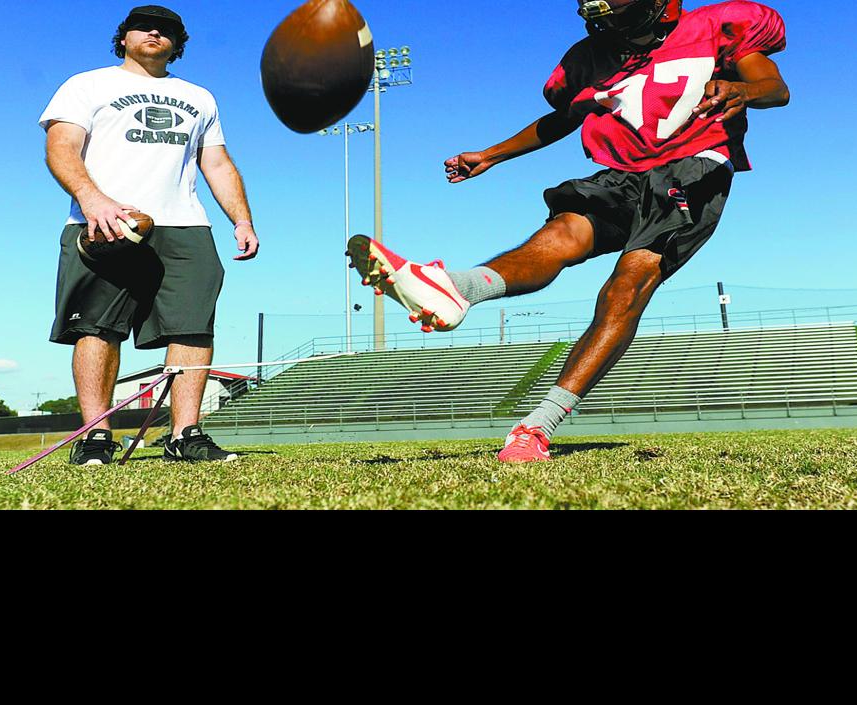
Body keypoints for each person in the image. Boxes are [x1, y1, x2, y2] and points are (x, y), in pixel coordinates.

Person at [347, 0, 789, 462]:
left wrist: (743, 90)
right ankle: (458, 288)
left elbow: (775, 88)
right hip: (621, 173)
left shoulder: (715, 25)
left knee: (626, 285)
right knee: (559, 234)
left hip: (693, 167)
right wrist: (491, 155)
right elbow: (561, 120)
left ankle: (538, 426)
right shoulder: (590, 56)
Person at [40, 4, 259, 465]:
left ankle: (185, 435)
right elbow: (60, 147)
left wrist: (241, 218)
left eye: (168, 30)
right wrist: (93, 198)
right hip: (104, 221)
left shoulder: (199, 96)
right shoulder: (87, 84)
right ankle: (96, 436)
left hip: (184, 223)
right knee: (97, 326)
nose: (155, 32)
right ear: (123, 38)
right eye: (144, 26)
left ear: (178, 45)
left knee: (193, 325)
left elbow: (215, 162)